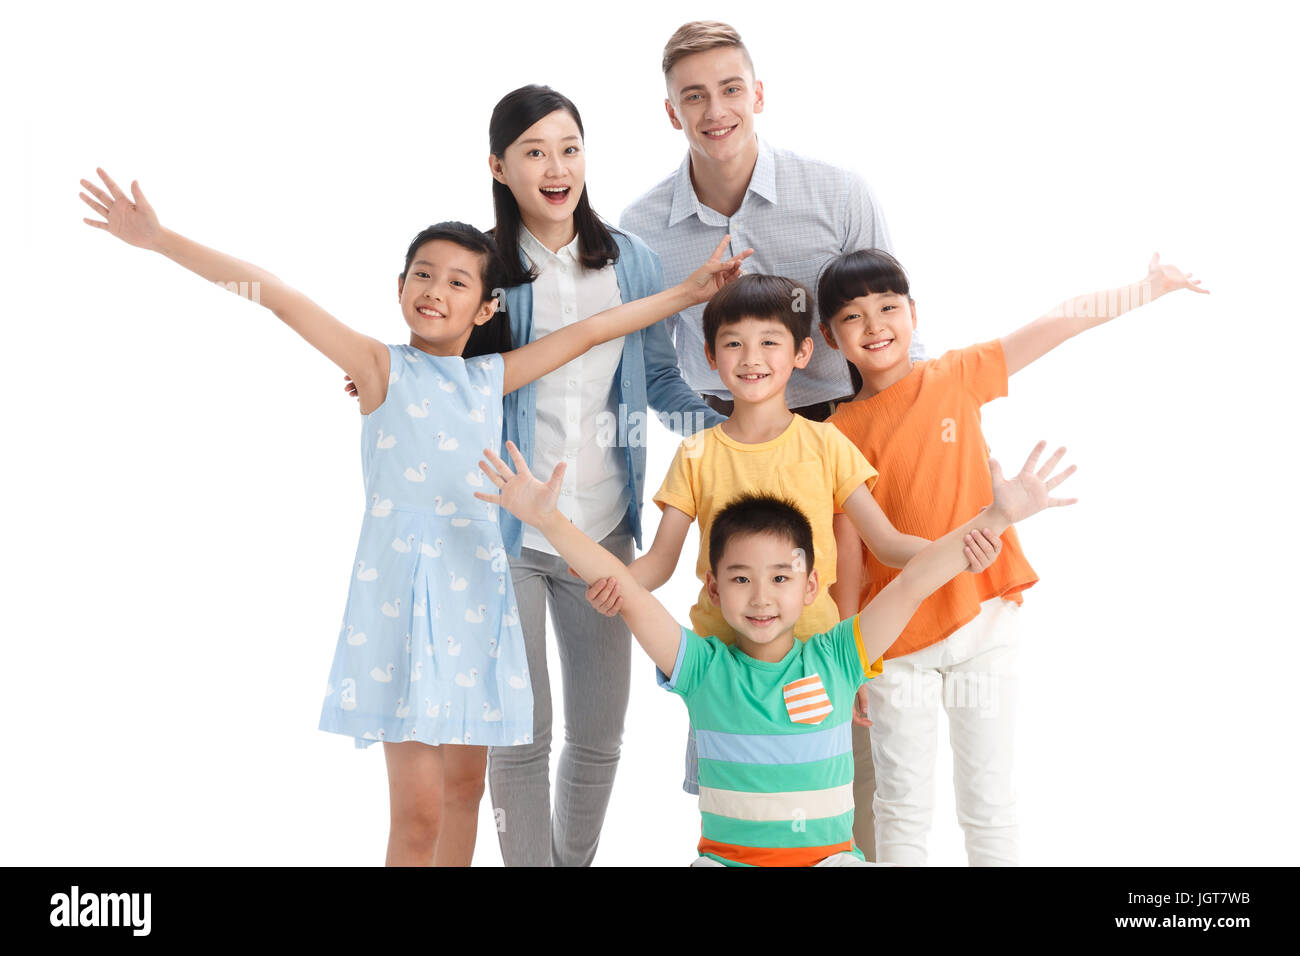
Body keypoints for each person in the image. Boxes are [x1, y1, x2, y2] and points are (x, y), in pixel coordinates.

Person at [78, 166, 747, 866]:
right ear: (399, 287)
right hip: (404, 604)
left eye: (459, 282)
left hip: (479, 599)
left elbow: (593, 331)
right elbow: (276, 296)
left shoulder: (492, 379)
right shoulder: (376, 368)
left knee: (465, 791)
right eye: (422, 275)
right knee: (420, 815)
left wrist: (688, 292)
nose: (435, 291)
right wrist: (159, 240)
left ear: (487, 309)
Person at [475, 440, 1077, 866]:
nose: (761, 597)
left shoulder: (839, 657)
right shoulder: (703, 668)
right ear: (713, 587)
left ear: (811, 587)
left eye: (781, 579)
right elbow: (629, 592)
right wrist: (548, 522)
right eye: (740, 579)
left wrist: (998, 517)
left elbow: (916, 579)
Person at [577, 273, 996, 859]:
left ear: (802, 353)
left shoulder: (825, 445)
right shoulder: (696, 454)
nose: (752, 359)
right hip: (724, 674)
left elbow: (888, 543)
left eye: (770, 342)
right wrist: (613, 587)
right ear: (710, 355)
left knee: (828, 806)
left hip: (818, 665)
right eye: (734, 343)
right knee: (741, 807)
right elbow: (659, 564)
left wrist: (963, 545)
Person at [820, 248, 1207, 865]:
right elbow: (848, 555)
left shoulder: (955, 376)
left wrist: (1148, 287)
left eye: (888, 307)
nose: (875, 326)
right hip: (893, 646)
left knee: (989, 802)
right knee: (901, 808)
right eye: (853, 316)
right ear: (828, 337)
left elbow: (1061, 321)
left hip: (986, 621)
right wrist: (849, 656)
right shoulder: (835, 433)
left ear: (914, 313)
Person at [485, 85, 732, 867]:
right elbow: (449, 368)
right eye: (534, 152)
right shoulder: (485, 267)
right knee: (522, 734)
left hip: (604, 528)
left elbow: (658, 381)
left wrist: (734, 433)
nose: (557, 168)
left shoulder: (635, 261)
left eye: (569, 148)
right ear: (499, 167)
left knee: (598, 737)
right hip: (505, 530)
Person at [620, 19, 922, 423]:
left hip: (846, 424)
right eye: (694, 97)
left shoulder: (840, 194)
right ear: (672, 113)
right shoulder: (642, 227)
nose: (716, 111)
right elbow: (652, 368)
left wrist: (922, 424)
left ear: (757, 95)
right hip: (725, 428)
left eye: (731, 89)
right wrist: (720, 438)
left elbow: (894, 323)